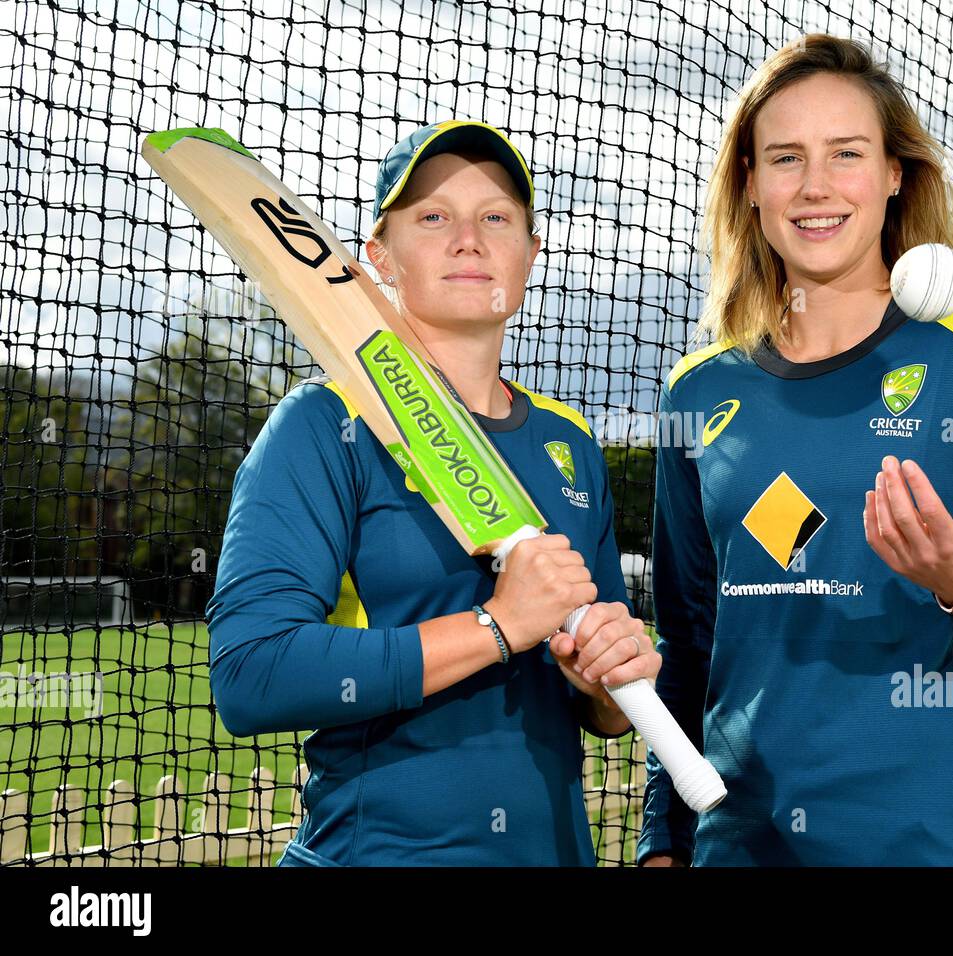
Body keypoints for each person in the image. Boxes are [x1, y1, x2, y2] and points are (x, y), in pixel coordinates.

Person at [638, 36, 953, 866]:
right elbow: (688, 645)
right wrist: (662, 841)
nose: (816, 186)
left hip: (935, 846)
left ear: (895, 173)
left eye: (847, 154)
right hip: (741, 851)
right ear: (749, 184)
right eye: (785, 157)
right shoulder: (696, 391)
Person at [206, 120, 659, 865]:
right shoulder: (324, 425)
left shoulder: (569, 442)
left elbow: (601, 710)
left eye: (496, 217)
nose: (469, 238)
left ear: (530, 252)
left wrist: (612, 679)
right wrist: (496, 625)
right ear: (379, 257)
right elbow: (252, 674)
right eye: (433, 217)